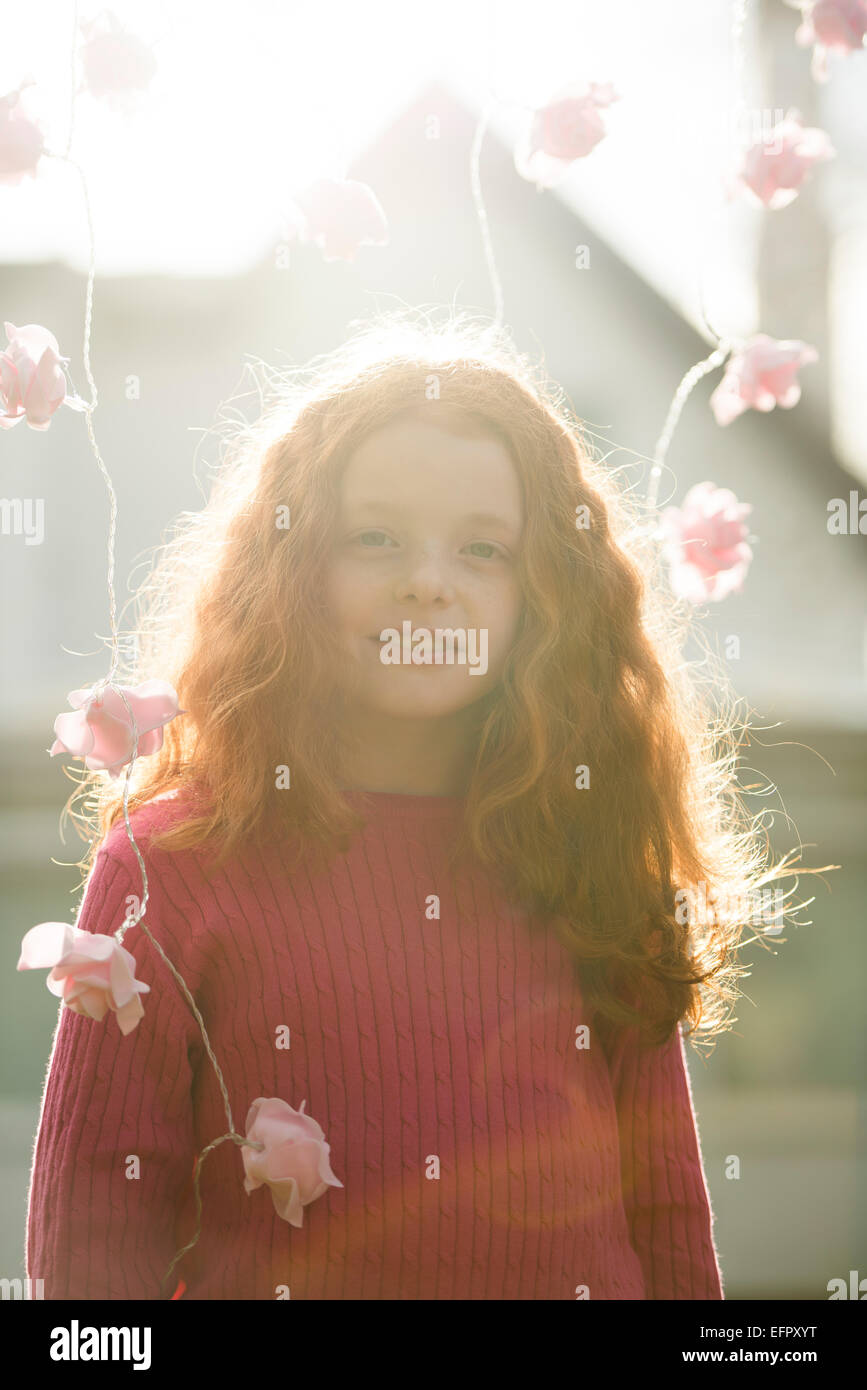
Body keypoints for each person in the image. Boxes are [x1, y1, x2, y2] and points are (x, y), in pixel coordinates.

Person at [25, 312, 793, 1300]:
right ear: (292, 568)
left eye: (484, 550)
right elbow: (92, 1249)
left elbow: (670, 1223)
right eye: (377, 538)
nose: (429, 583)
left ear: (546, 593)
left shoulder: (594, 848)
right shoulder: (164, 870)